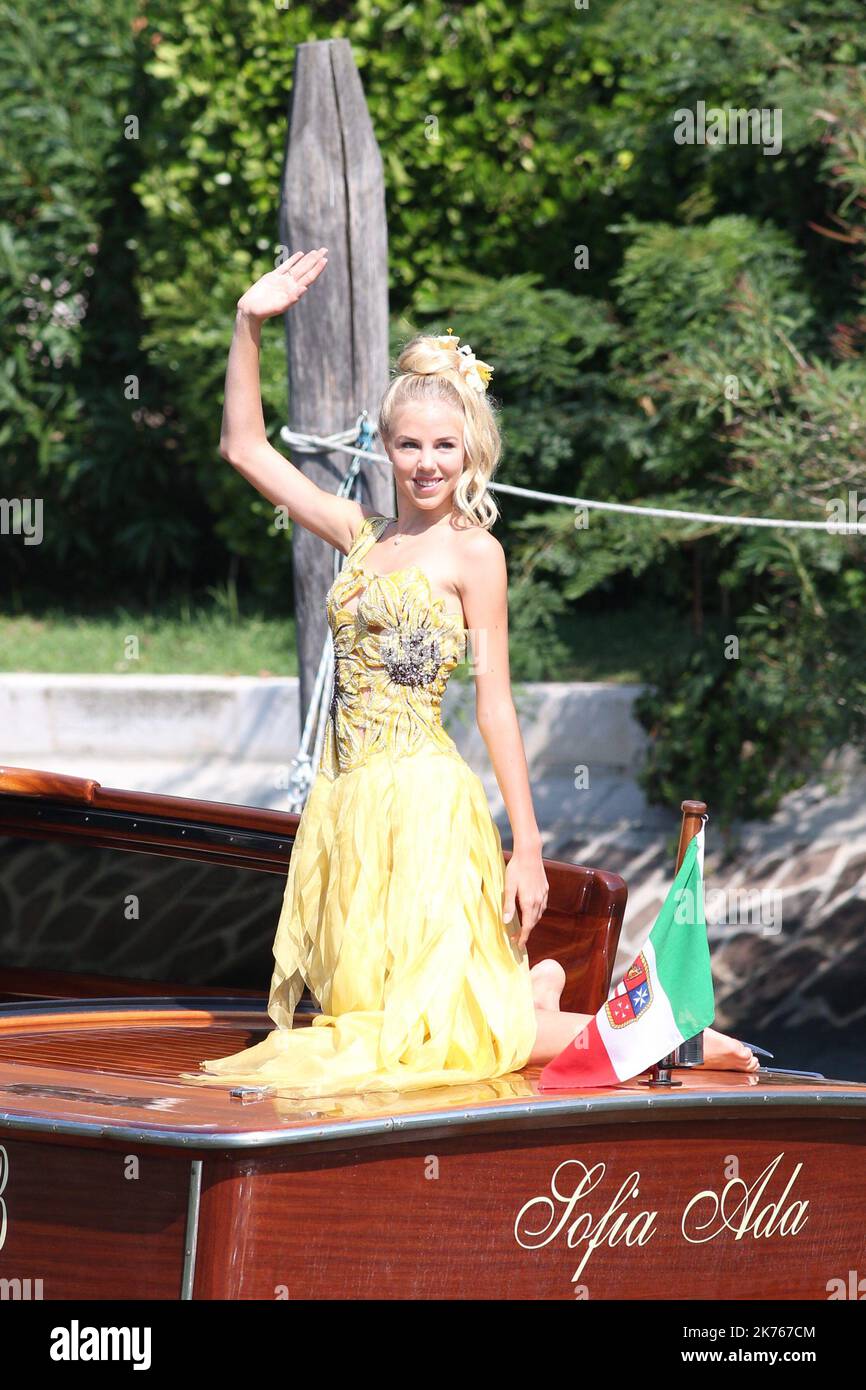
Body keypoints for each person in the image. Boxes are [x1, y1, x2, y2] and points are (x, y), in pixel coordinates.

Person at [180, 246, 758, 1100]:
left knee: (434, 1035)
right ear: (386, 446)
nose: (426, 463)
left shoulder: (476, 557)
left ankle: (685, 1034)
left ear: (469, 449)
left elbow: (494, 707)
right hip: (344, 810)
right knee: (375, 1018)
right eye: (409, 444)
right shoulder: (360, 533)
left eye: (444, 445)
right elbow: (244, 447)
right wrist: (248, 323)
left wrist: (527, 847)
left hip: (425, 809)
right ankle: (540, 987)